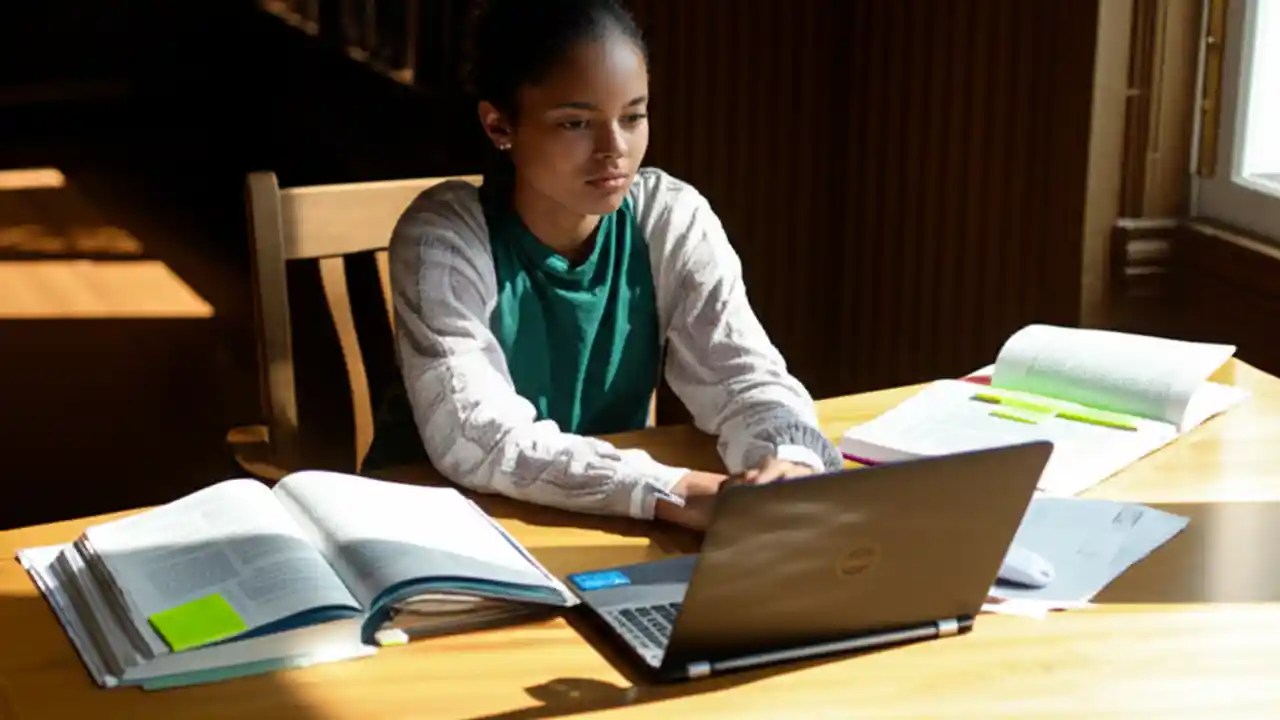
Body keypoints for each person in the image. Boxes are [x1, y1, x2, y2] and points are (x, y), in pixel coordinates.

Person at [371, 0, 842, 530]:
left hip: (597, 518)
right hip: (429, 521)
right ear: (499, 124)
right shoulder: (444, 236)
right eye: (576, 122)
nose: (614, 149)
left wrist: (789, 460)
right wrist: (674, 490)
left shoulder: (670, 219)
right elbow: (477, 435)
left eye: (634, 116)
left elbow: (743, 377)